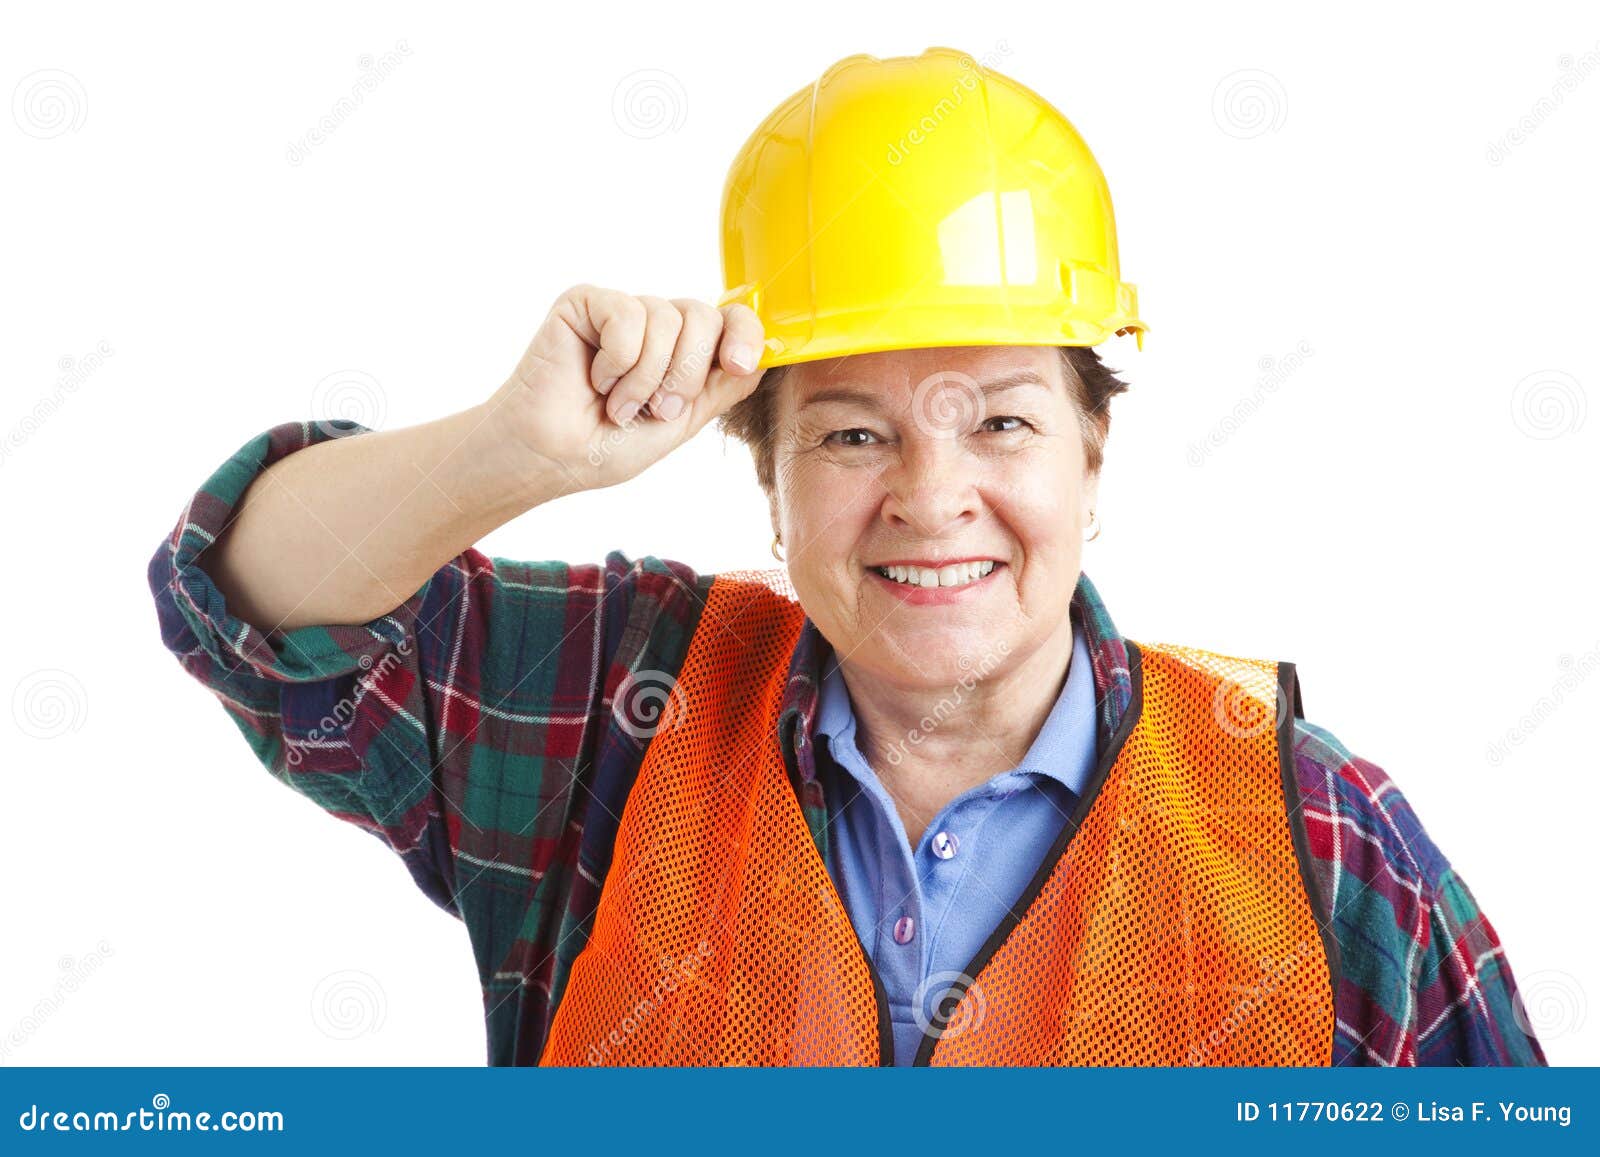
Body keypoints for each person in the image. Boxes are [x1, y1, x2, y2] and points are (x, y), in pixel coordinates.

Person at [147, 47, 1546, 1067]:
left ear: (1094, 459)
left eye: (1001, 420)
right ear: (768, 474)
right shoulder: (614, 718)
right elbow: (247, 608)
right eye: (853, 436)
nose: (933, 498)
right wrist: (515, 454)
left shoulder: (1313, 839)